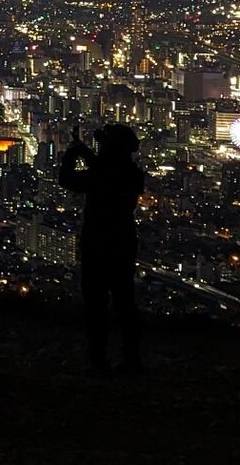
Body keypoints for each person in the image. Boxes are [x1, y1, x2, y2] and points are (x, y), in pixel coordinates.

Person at [59, 122, 145, 372]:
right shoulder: (132, 174)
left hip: (97, 242)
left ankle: (98, 359)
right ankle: (131, 358)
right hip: (123, 241)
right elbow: (106, 168)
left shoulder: (103, 174)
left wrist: (73, 152)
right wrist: (85, 151)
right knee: (124, 301)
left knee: (96, 303)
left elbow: (67, 179)